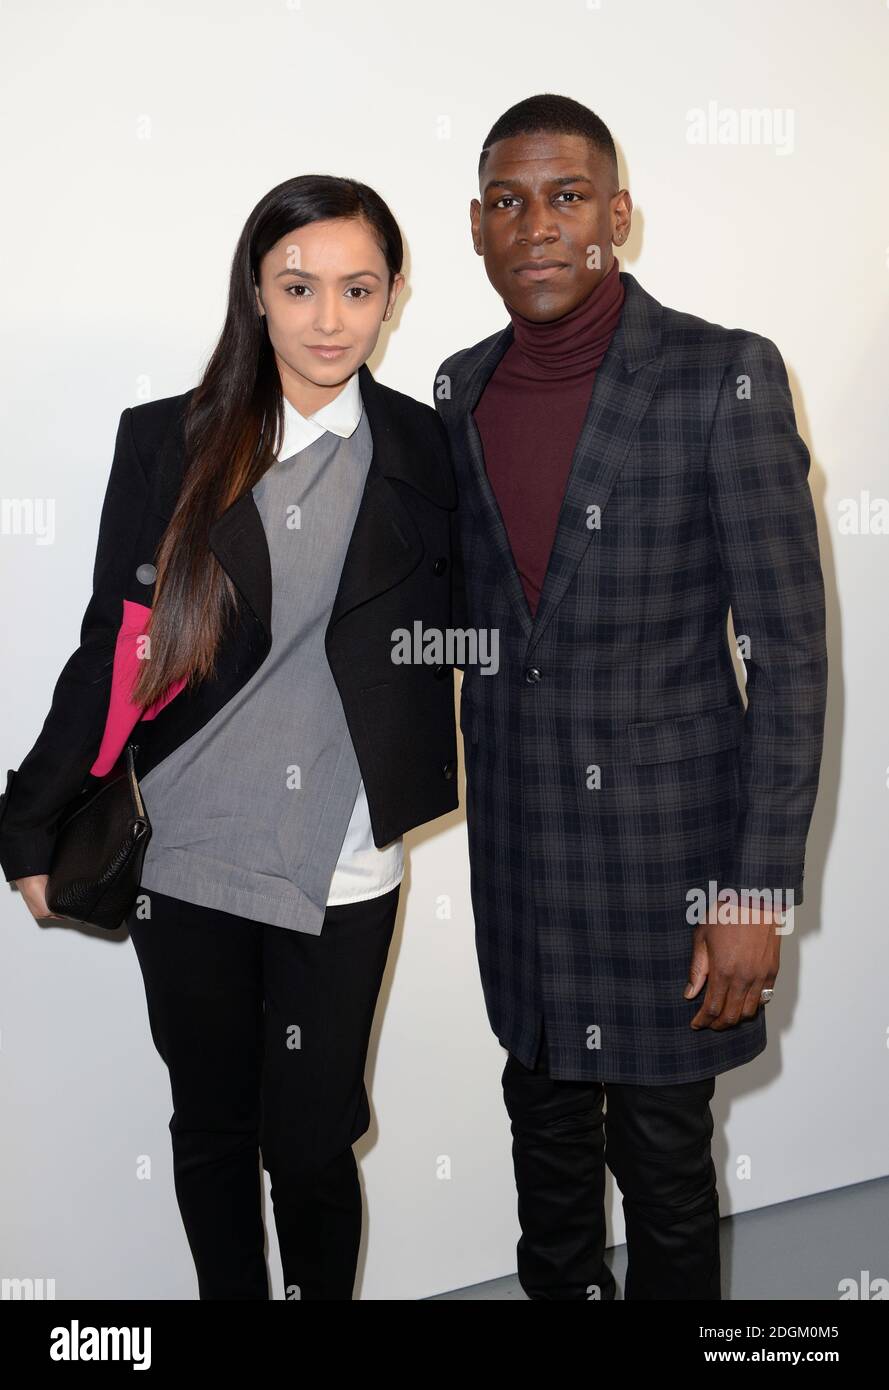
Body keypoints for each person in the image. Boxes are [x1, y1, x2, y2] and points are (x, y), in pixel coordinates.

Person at [0, 174, 462, 1300]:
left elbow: (478, 625)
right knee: (210, 1128)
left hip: (345, 857)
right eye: (298, 286)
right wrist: (30, 821)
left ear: (395, 294)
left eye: (358, 289)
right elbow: (115, 649)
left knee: (308, 1145)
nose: (328, 319)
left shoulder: (428, 448)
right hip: (190, 847)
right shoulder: (170, 441)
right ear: (256, 291)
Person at [434, 94, 827, 1300]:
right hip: (524, 865)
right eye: (508, 202)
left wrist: (755, 891)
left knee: (662, 1172)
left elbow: (792, 657)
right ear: (477, 227)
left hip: (673, 866)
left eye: (564, 198)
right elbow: (474, 624)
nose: (536, 226)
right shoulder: (458, 392)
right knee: (543, 1160)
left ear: (618, 216)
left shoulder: (725, 375)